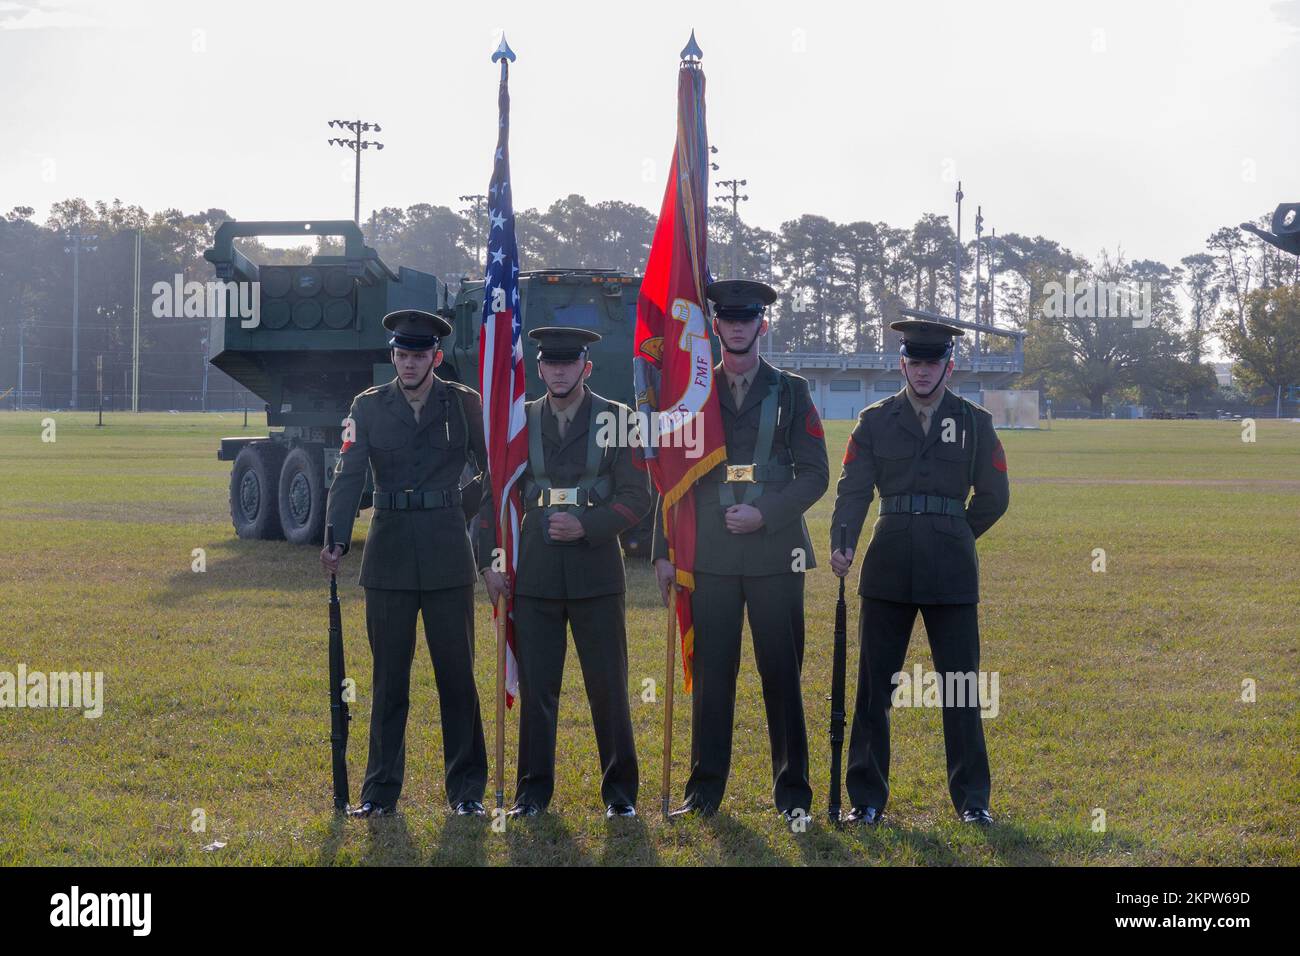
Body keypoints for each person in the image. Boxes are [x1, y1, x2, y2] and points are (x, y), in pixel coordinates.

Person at [653, 279, 830, 821]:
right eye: (726, 318)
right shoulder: (693, 393)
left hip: (775, 555)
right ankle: (704, 792)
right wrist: (664, 549)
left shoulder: (792, 390)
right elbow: (671, 476)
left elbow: (815, 474)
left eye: (746, 318)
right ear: (715, 326)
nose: (735, 326)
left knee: (781, 674)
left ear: (762, 325)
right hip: (709, 555)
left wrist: (767, 513)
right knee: (711, 679)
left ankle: (793, 795)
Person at [829, 316, 1010, 826]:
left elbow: (995, 496)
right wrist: (843, 540)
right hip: (887, 563)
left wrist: (953, 530)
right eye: (915, 361)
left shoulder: (975, 422)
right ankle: (865, 800)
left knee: (960, 688)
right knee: (873, 690)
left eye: (933, 362)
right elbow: (853, 488)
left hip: (951, 570)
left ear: (948, 366)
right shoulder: (875, 420)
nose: (924, 370)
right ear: (902, 363)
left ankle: (973, 801)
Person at [320, 308, 489, 819]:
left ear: (436, 357)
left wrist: (459, 507)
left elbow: (494, 468)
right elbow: (349, 474)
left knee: (456, 678)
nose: (409, 362)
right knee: (389, 681)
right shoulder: (367, 407)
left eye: (419, 355)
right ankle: (379, 793)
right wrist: (336, 540)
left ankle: (466, 793)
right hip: (388, 552)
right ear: (392, 356)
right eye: (401, 354)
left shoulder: (463, 404)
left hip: (446, 554)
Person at [479, 327, 650, 820]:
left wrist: (587, 526)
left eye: (568, 363)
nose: (558, 371)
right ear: (538, 368)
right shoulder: (519, 421)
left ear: (586, 367)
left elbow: (638, 497)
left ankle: (620, 796)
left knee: (608, 688)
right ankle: (531, 795)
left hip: (596, 570)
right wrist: (493, 564)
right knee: (538, 690)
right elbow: (495, 498)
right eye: (550, 363)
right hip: (534, 572)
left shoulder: (620, 421)